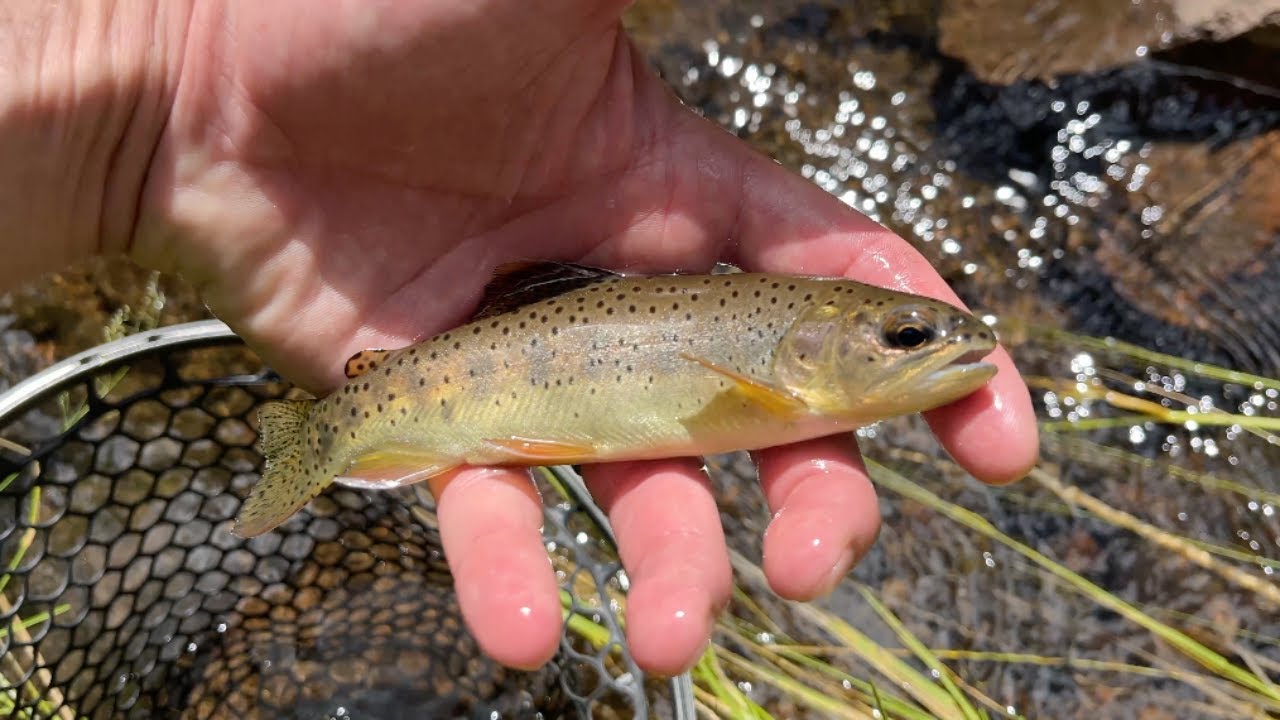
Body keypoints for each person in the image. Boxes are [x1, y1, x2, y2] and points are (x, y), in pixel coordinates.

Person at [1, 2, 1037, 676]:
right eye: (904, 335)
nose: (930, 348)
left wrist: (165, 77)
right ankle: (319, 436)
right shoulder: (773, 383)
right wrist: (179, 74)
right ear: (808, 350)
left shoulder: (787, 368)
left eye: (906, 337)